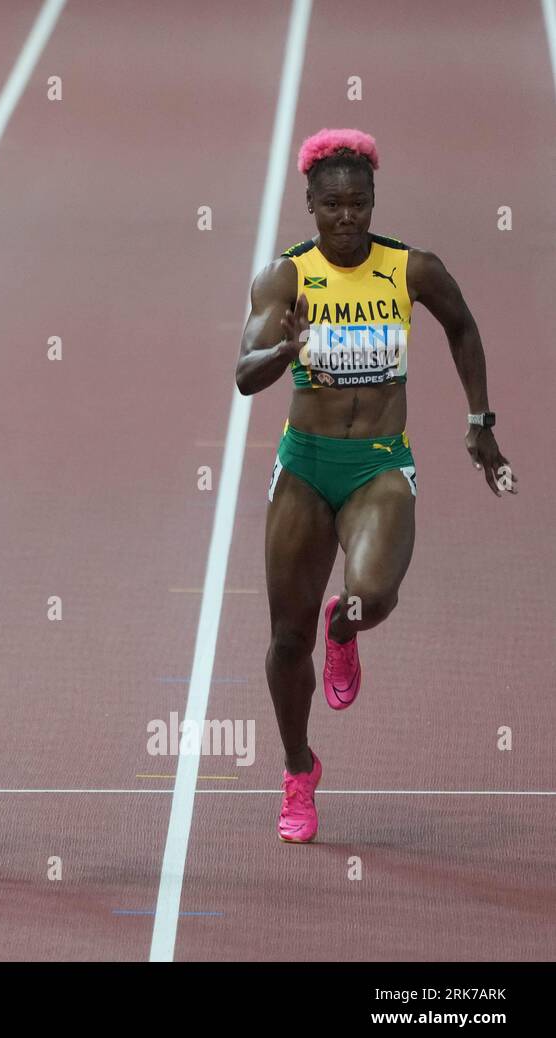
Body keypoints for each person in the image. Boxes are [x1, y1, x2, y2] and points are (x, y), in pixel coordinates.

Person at [235, 128, 514, 843]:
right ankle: (299, 771)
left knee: (373, 596)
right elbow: (244, 376)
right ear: (310, 204)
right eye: (333, 205)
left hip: (380, 463)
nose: (347, 218)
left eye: (359, 204)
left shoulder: (410, 269)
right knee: (284, 639)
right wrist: (285, 349)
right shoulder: (285, 277)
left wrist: (479, 418)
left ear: (373, 202)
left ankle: (346, 626)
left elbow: (463, 326)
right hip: (305, 466)